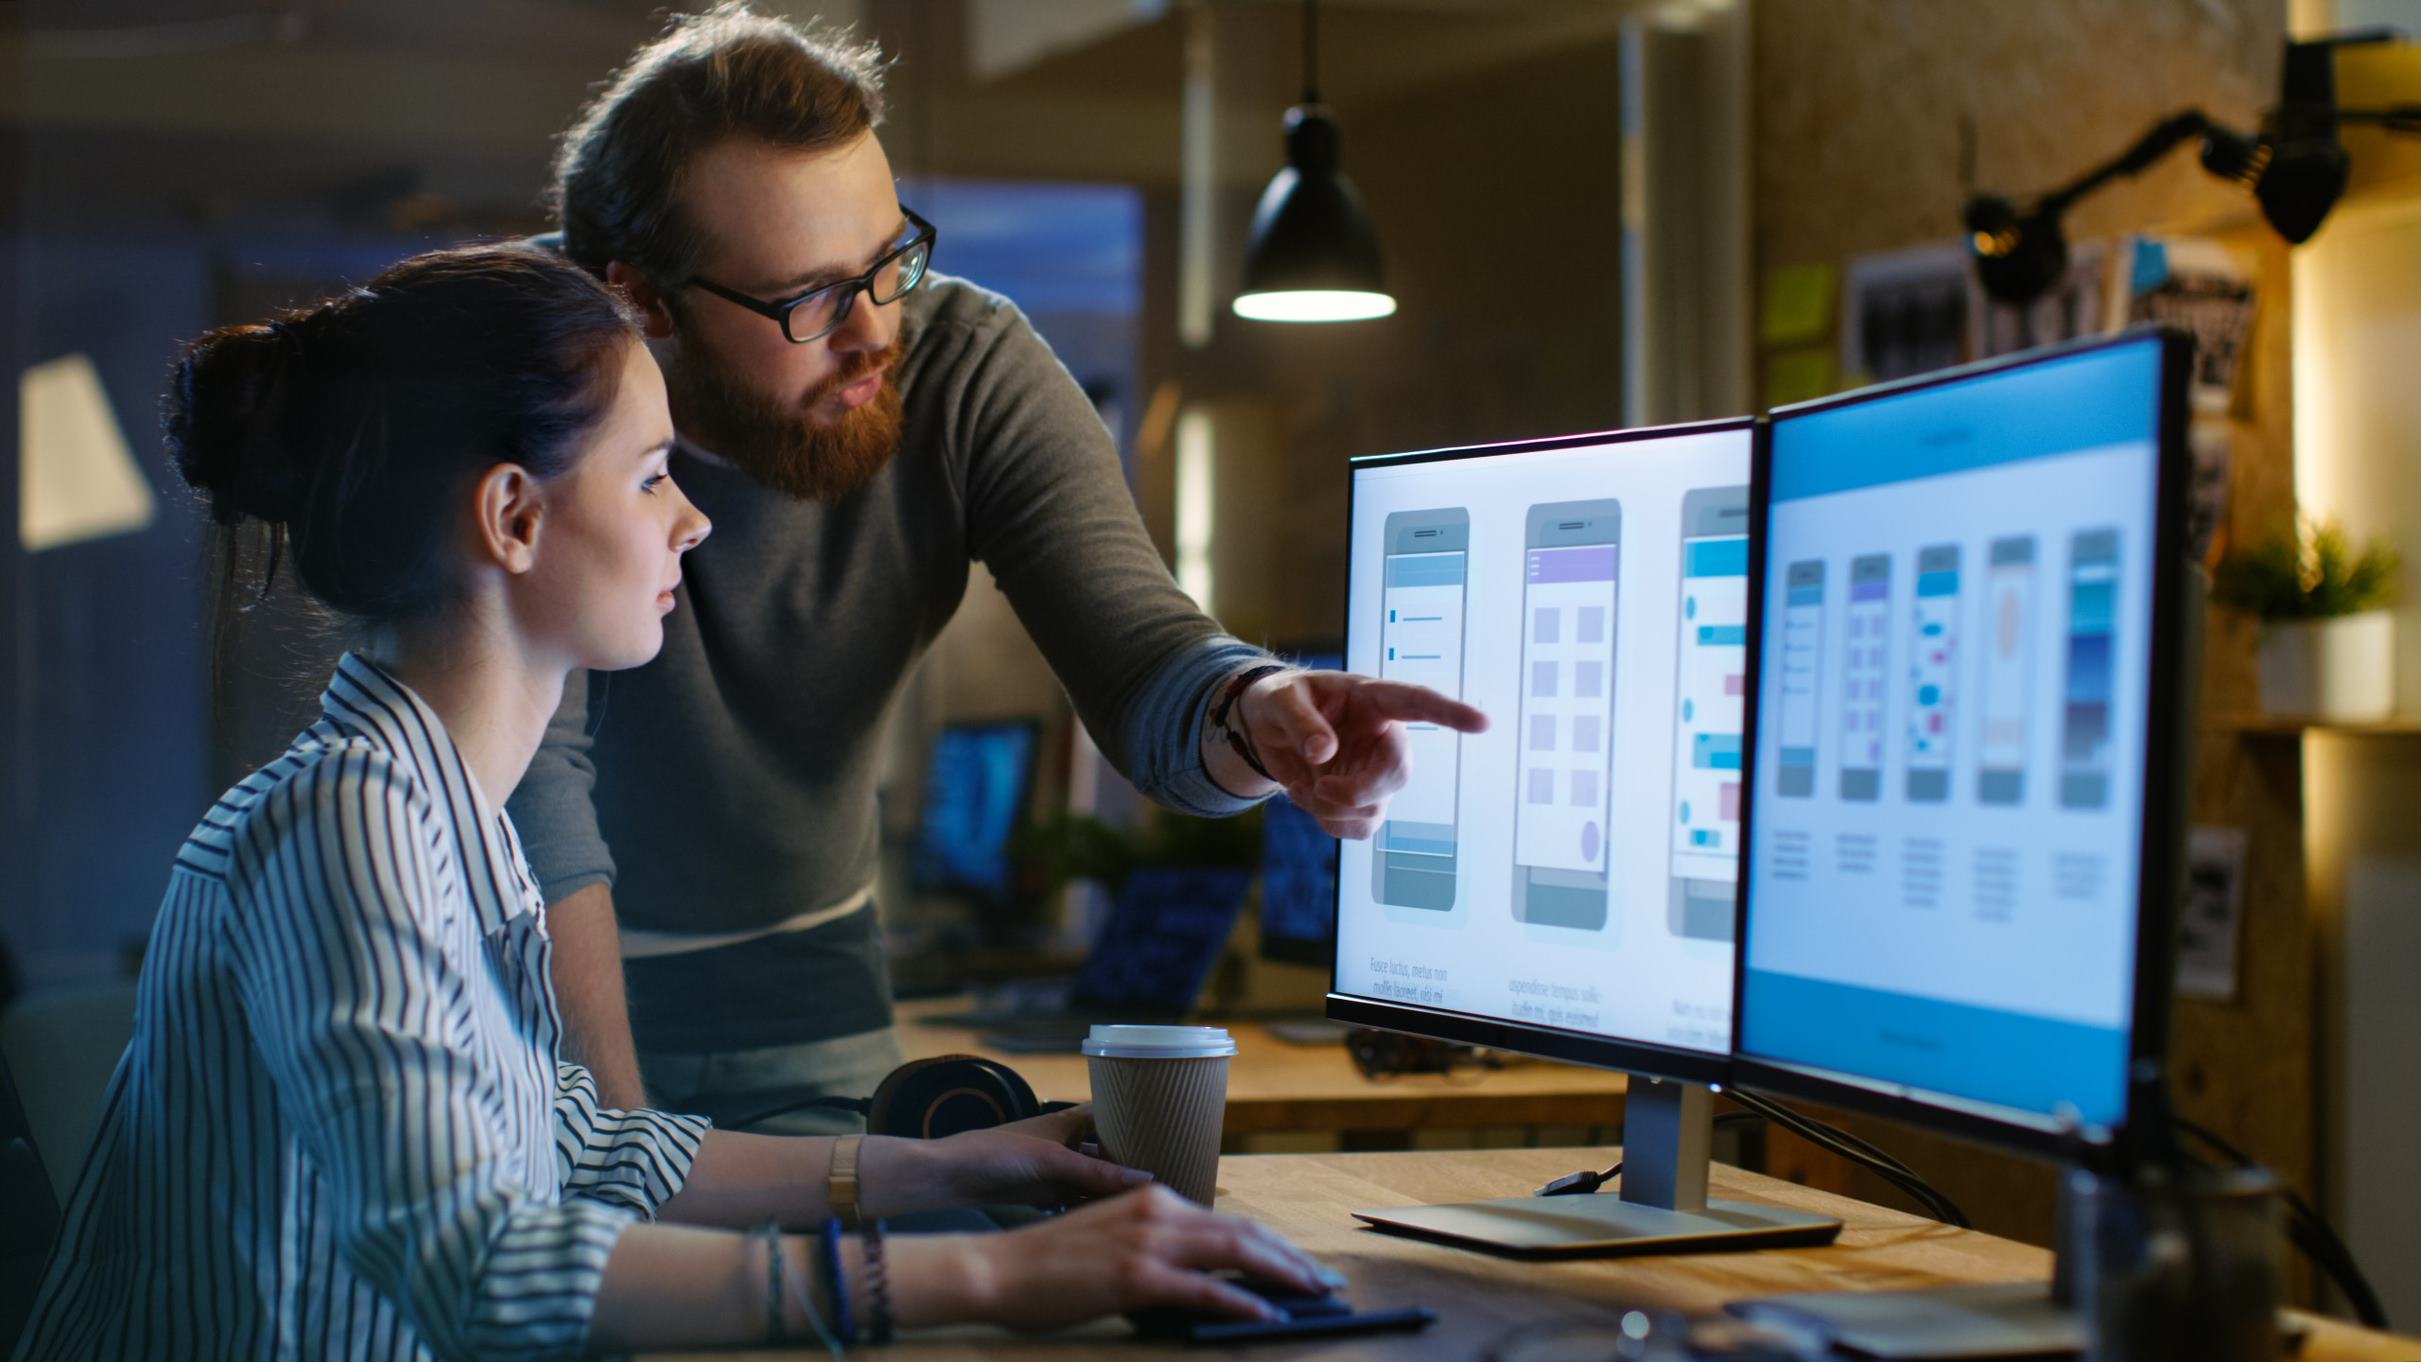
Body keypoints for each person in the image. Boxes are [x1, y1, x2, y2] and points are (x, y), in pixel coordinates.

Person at [12, 246, 1337, 1361]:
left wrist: (968, 1168)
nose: (692, 522)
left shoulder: (437, 809)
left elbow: (578, 1143)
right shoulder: (347, 821)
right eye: (651, 472)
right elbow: (476, 1261)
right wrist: (989, 1280)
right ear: (515, 518)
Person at [516, 3, 1489, 1125]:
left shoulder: (967, 367)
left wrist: (1255, 706)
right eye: (809, 297)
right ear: (638, 298)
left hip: (806, 974)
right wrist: (625, 1149)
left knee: (890, 1278)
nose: (875, 330)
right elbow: (539, 798)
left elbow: (1140, 657)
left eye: (889, 263)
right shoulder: (511, 372)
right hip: (527, 967)